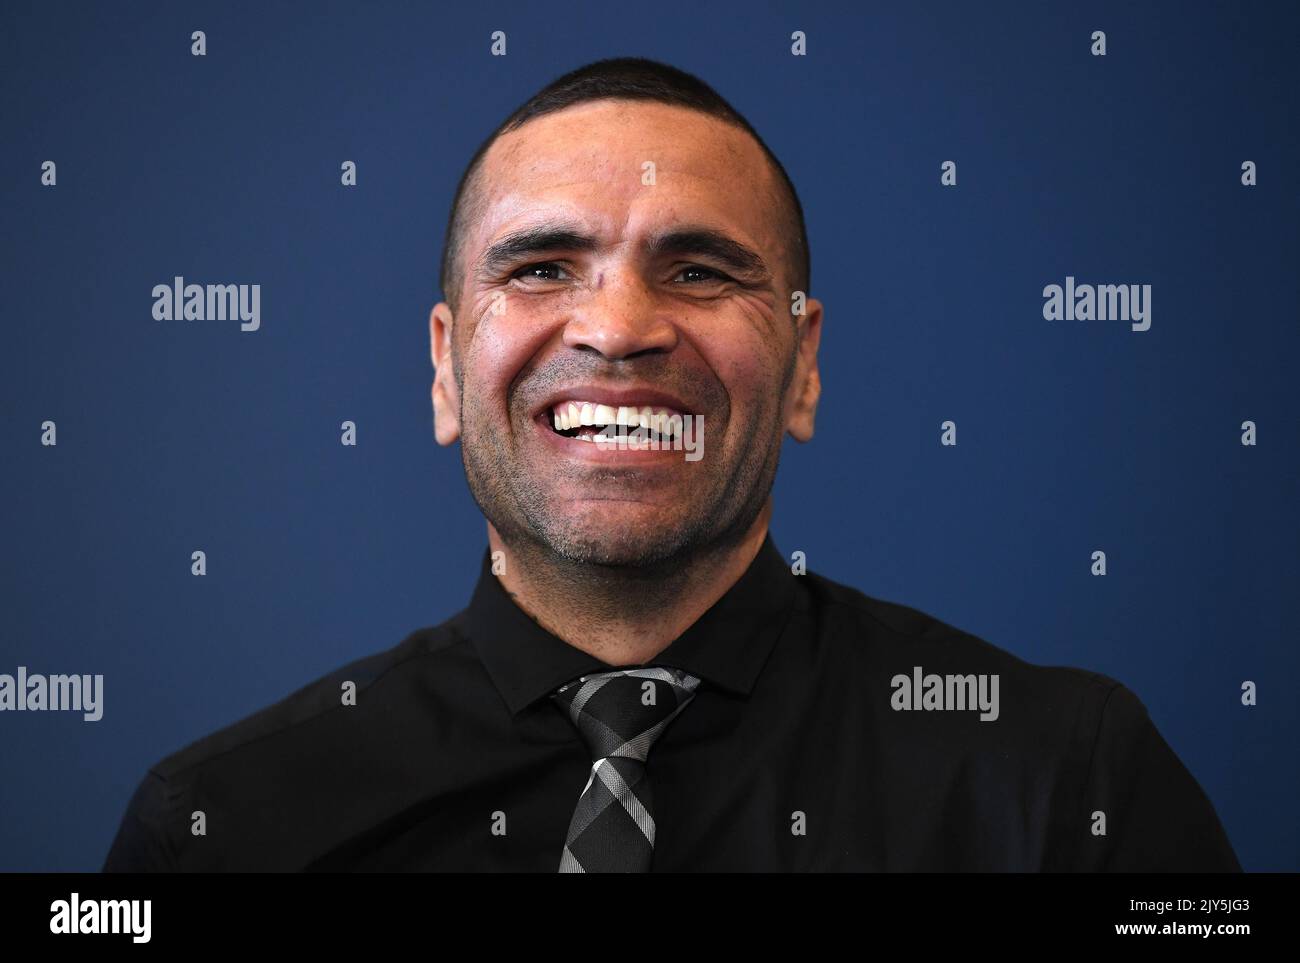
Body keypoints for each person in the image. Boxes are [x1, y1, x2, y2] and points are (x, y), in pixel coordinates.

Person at [103, 57, 1240, 872]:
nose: (618, 327)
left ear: (801, 368)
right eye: (543, 267)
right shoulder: (219, 826)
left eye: (699, 270)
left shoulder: (1066, 787)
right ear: (448, 371)